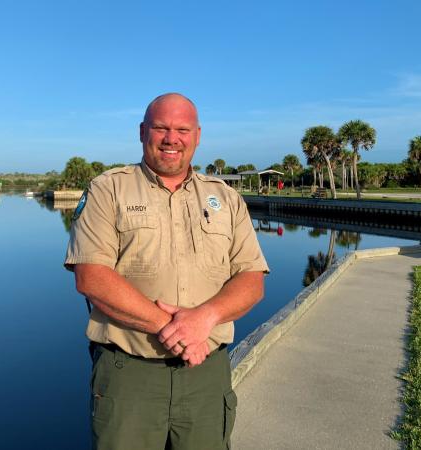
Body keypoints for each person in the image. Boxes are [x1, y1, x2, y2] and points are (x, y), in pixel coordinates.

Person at [65, 93, 269, 450]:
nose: (171, 138)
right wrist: (176, 329)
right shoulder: (108, 189)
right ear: (143, 131)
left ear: (198, 135)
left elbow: (251, 280)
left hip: (206, 375)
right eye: (160, 127)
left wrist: (204, 319)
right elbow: (92, 276)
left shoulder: (226, 198)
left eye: (182, 129)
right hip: (129, 376)